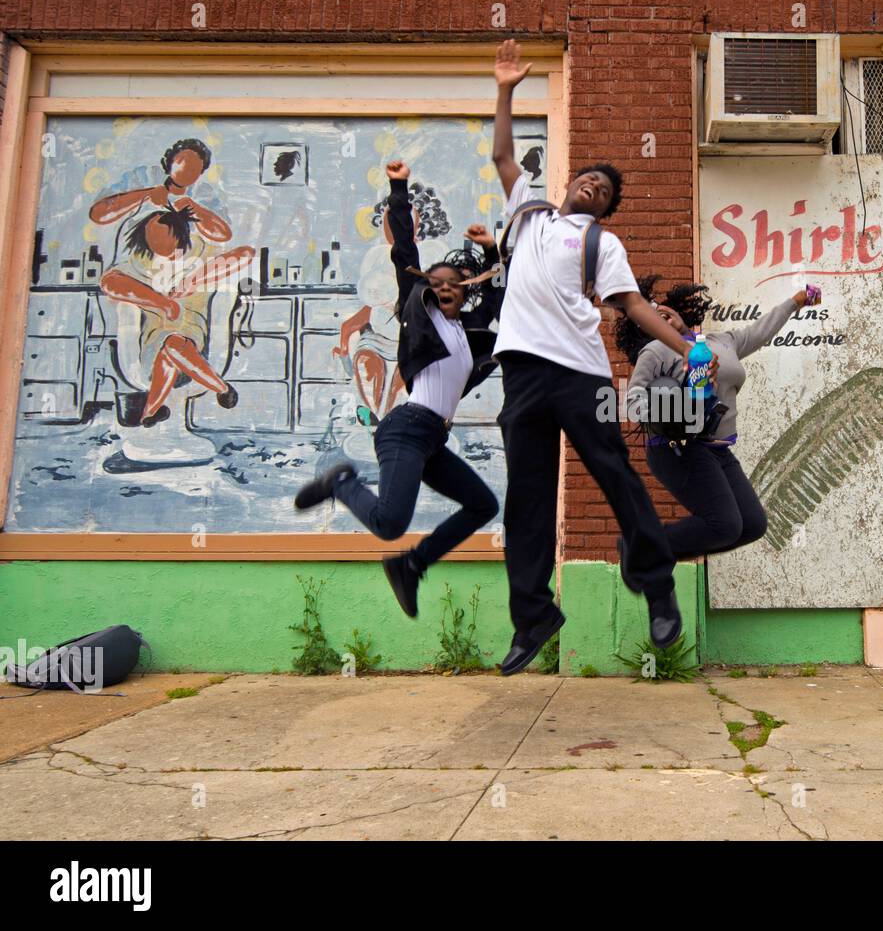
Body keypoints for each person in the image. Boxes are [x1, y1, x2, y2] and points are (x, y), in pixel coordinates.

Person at [491, 39, 701, 675]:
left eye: (605, 188)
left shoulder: (601, 244)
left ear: (607, 208)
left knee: (616, 476)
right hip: (522, 373)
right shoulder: (526, 215)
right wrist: (505, 88)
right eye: (588, 177)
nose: (594, 184)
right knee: (526, 498)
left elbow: (633, 307)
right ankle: (534, 616)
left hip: (580, 374)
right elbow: (502, 153)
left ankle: (657, 586)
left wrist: (690, 348)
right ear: (567, 184)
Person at [293, 160, 503, 618]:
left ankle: (412, 564)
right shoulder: (418, 311)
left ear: (463, 293)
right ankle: (342, 482)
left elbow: (494, 297)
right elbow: (404, 246)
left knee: (483, 504)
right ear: (427, 287)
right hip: (405, 429)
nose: (444, 287)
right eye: (436, 281)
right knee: (389, 523)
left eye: (454, 284)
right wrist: (398, 186)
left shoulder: (468, 331)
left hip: (431, 439)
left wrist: (489, 254)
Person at [617, 275, 822, 560]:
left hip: (717, 447)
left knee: (752, 525)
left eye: (662, 308)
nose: (659, 313)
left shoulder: (721, 341)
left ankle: (651, 552)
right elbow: (633, 401)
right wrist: (667, 414)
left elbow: (761, 331)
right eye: (651, 314)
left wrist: (795, 302)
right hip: (678, 448)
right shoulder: (654, 351)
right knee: (725, 525)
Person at [90, 138, 254, 426]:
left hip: (189, 315)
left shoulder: (198, 243)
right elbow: (100, 216)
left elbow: (230, 241)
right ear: (169, 160)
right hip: (154, 319)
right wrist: (144, 195)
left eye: (196, 169)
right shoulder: (140, 254)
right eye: (183, 163)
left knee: (174, 346)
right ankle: (216, 389)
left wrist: (192, 281)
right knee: (169, 349)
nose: (188, 173)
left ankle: (153, 410)